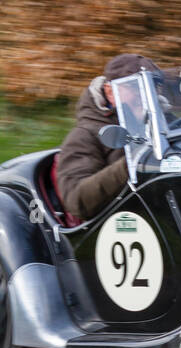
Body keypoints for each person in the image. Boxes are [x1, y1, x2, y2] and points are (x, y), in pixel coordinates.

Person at [54, 53, 162, 222]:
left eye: (152, 86)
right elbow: (76, 201)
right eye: (135, 87)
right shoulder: (84, 135)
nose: (145, 94)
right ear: (110, 92)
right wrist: (131, 164)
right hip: (123, 221)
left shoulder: (167, 122)